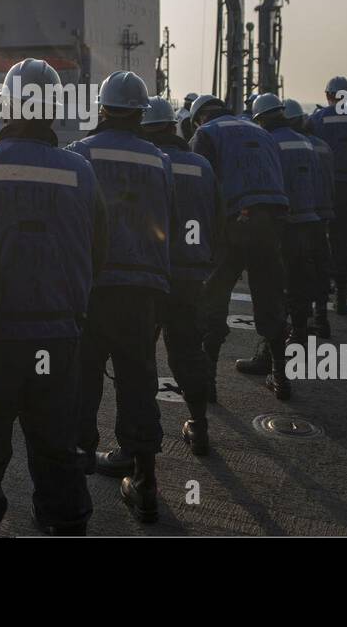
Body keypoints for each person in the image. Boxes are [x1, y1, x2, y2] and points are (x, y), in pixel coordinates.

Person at [0, 59, 106, 536]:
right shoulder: (81, 171)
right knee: (58, 449)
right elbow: (97, 249)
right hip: (58, 338)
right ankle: (67, 526)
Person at [66, 71, 173, 523]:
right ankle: (145, 482)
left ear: (102, 109)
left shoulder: (79, 155)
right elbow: (165, 220)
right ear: (141, 114)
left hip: (91, 288)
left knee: (80, 384)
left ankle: (73, 484)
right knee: (138, 383)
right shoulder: (159, 159)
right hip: (143, 290)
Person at [189, 94, 291, 400]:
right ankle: (280, 375)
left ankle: (208, 380)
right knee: (270, 297)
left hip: (234, 222)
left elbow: (200, 187)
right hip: (271, 220)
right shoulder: (261, 131)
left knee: (214, 298)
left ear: (198, 118)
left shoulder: (206, 134)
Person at [140, 97, 221, 456]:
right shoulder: (202, 165)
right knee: (188, 350)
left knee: (140, 356)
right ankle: (199, 425)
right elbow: (218, 219)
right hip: (190, 274)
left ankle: (142, 447)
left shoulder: (146, 163)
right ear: (175, 126)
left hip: (150, 274)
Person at [237, 94, 323, 379]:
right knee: (300, 282)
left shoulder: (267, 141)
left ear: (260, 117)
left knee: (272, 289)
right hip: (309, 220)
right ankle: (298, 338)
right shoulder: (305, 141)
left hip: (282, 222)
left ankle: (269, 355)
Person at [306, 77, 347, 313]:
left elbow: (310, 150)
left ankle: (321, 292)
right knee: (344, 237)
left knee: (319, 238)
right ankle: (343, 289)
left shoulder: (318, 118)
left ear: (328, 95)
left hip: (325, 185)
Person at [295, 100, 336, 337]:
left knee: (299, 269)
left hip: (301, 216)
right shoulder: (323, 147)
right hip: (322, 213)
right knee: (320, 265)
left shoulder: (291, 144)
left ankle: (301, 322)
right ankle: (321, 316)